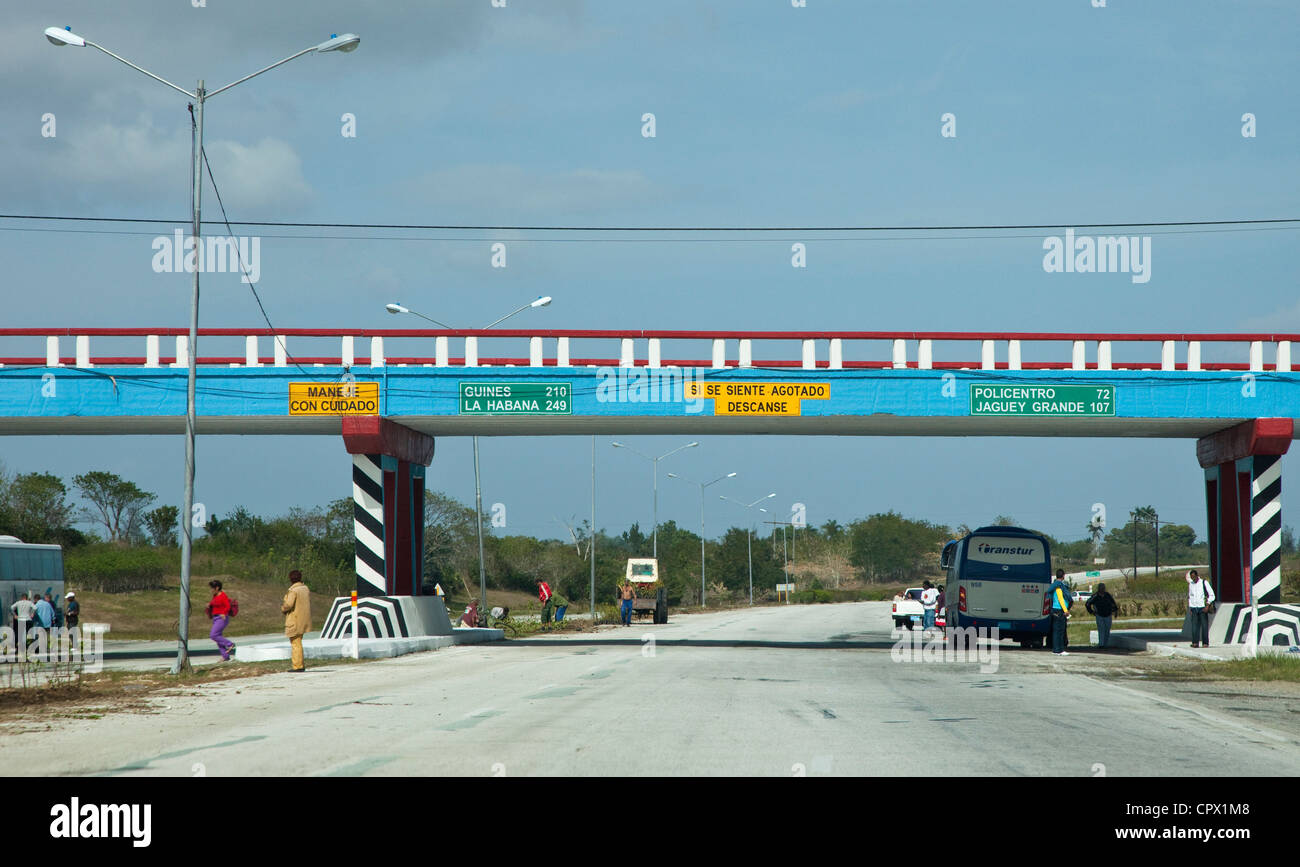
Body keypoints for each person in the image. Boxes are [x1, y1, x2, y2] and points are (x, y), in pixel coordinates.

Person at [281, 569, 312, 672]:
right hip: (304, 619)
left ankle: (298, 666)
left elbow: (288, 605)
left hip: (294, 619)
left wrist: (283, 608)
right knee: (298, 642)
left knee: (295, 643)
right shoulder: (305, 588)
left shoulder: (293, 590)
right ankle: (300, 664)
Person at [1186, 570, 1216, 648]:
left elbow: (1212, 595)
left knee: (1204, 626)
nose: (1193, 579)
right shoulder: (1191, 584)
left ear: (1197, 576)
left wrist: (1207, 605)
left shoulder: (1204, 583)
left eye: (1194, 577)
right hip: (1194, 608)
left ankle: (1205, 643)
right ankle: (1195, 642)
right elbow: (1190, 596)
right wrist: (1190, 608)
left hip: (1203, 607)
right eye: (1192, 578)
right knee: (1194, 627)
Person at [207, 580, 235, 661]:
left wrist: (224, 613)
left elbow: (227, 606)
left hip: (222, 618)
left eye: (212, 588)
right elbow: (214, 603)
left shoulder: (223, 595)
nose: (211, 590)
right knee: (218, 638)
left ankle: (230, 644)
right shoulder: (215, 596)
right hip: (215, 618)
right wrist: (209, 605)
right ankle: (225, 656)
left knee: (213, 635)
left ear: (217, 588)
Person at [1085, 582, 1118, 648]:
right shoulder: (1095, 596)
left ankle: (1106, 644)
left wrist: (1115, 611)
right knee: (1101, 630)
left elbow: (1113, 603)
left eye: (1103, 588)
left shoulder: (1107, 595)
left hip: (1108, 615)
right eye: (1101, 588)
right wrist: (1091, 612)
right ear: (1098, 589)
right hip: (1099, 615)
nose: (1102, 589)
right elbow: (1087, 604)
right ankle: (1101, 644)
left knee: (1107, 630)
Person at [1049, 568, 1073, 656]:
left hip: (1054, 609)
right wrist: (1066, 610)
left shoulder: (1055, 585)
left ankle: (1056, 649)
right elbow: (1060, 598)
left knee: (1056, 630)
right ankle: (1059, 650)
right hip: (1060, 610)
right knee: (1060, 631)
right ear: (1063, 576)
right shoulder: (1059, 586)